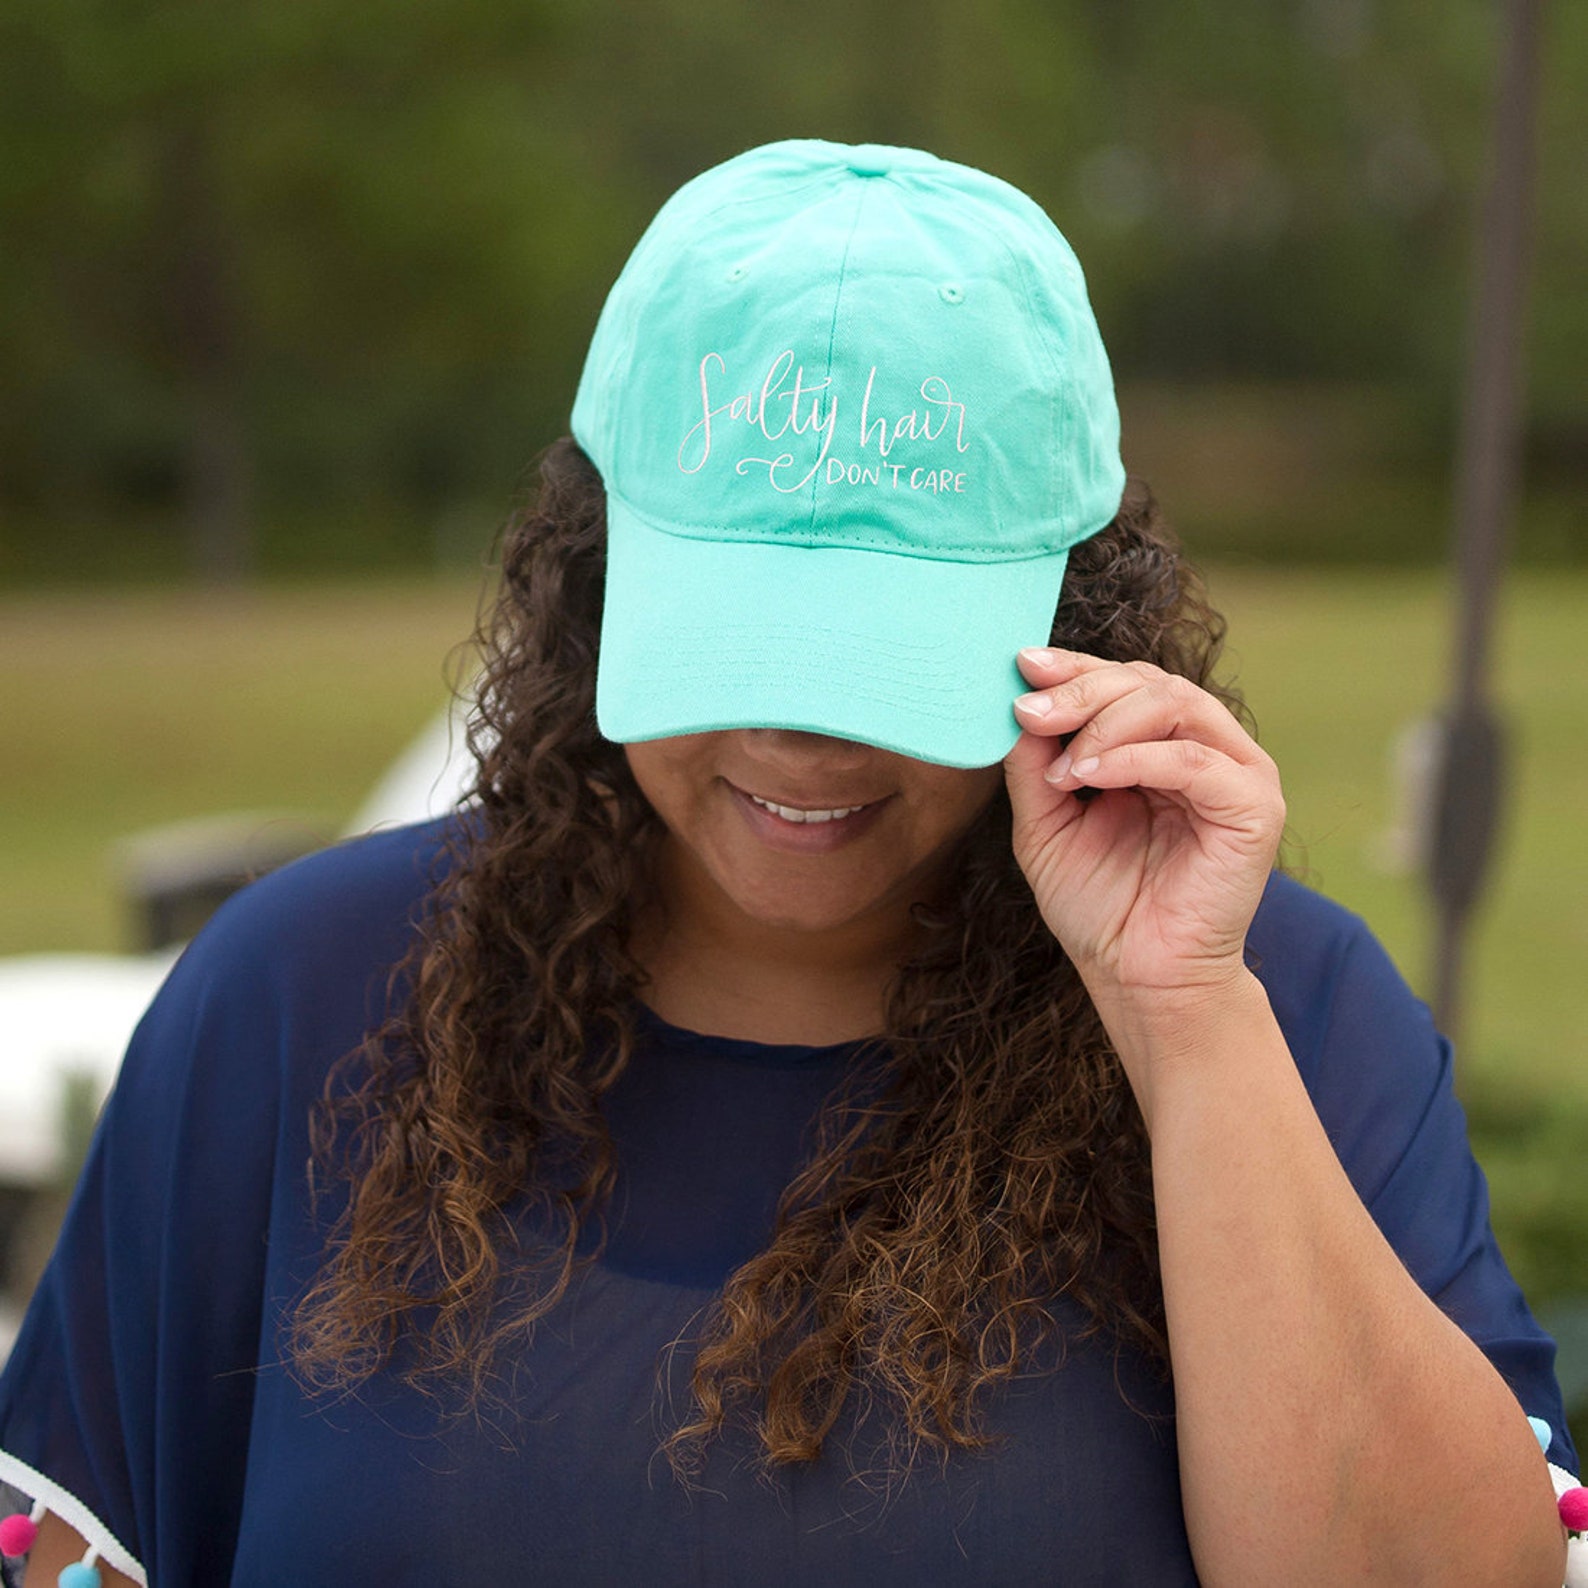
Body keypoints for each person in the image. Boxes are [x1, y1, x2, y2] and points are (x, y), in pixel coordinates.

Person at [0, 139, 1580, 1588]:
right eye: (746, 645)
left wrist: (1184, 1022)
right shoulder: (300, 999)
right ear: (594, 582)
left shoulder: (1275, 1016)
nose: (810, 746)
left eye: (892, 662)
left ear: (1074, 625)